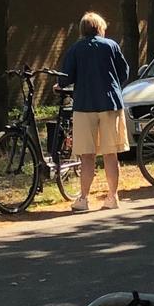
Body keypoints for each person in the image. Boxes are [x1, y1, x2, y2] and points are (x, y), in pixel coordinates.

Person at [57, 11, 131, 213]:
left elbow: (65, 77)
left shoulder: (75, 49)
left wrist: (60, 85)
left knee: (87, 155)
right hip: (110, 103)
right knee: (110, 153)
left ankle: (83, 199)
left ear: (82, 29)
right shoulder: (112, 46)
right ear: (100, 28)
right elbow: (124, 72)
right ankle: (112, 196)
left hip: (84, 104)